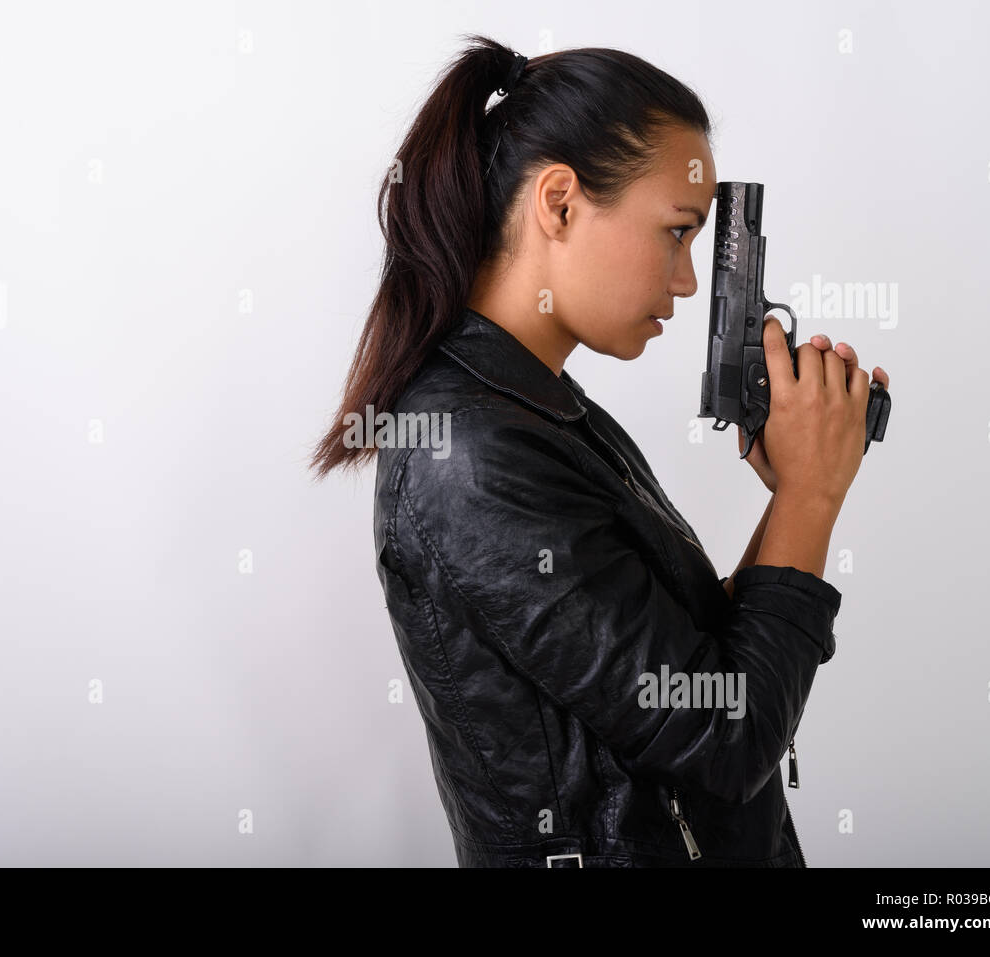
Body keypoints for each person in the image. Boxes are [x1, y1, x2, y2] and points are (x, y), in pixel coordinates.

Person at [310, 35, 891, 867]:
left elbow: (684, 664)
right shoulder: (474, 459)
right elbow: (726, 738)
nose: (687, 280)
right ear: (559, 203)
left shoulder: (539, 415)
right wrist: (812, 500)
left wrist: (794, 491)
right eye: (675, 232)